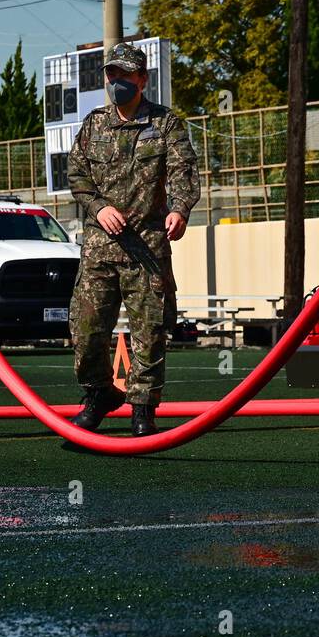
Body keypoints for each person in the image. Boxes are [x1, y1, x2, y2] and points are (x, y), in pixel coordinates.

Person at [66, 41, 200, 436]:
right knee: (86, 329)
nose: (117, 81)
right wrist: (98, 207)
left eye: (125, 74)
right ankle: (98, 394)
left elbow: (183, 172)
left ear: (142, 78)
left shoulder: (166, 124)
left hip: (147, 246)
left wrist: (179, 209)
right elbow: (77, 176)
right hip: (100, 249)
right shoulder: (93, 125)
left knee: (150, 331)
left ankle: (143, 409)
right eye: (112, 74)